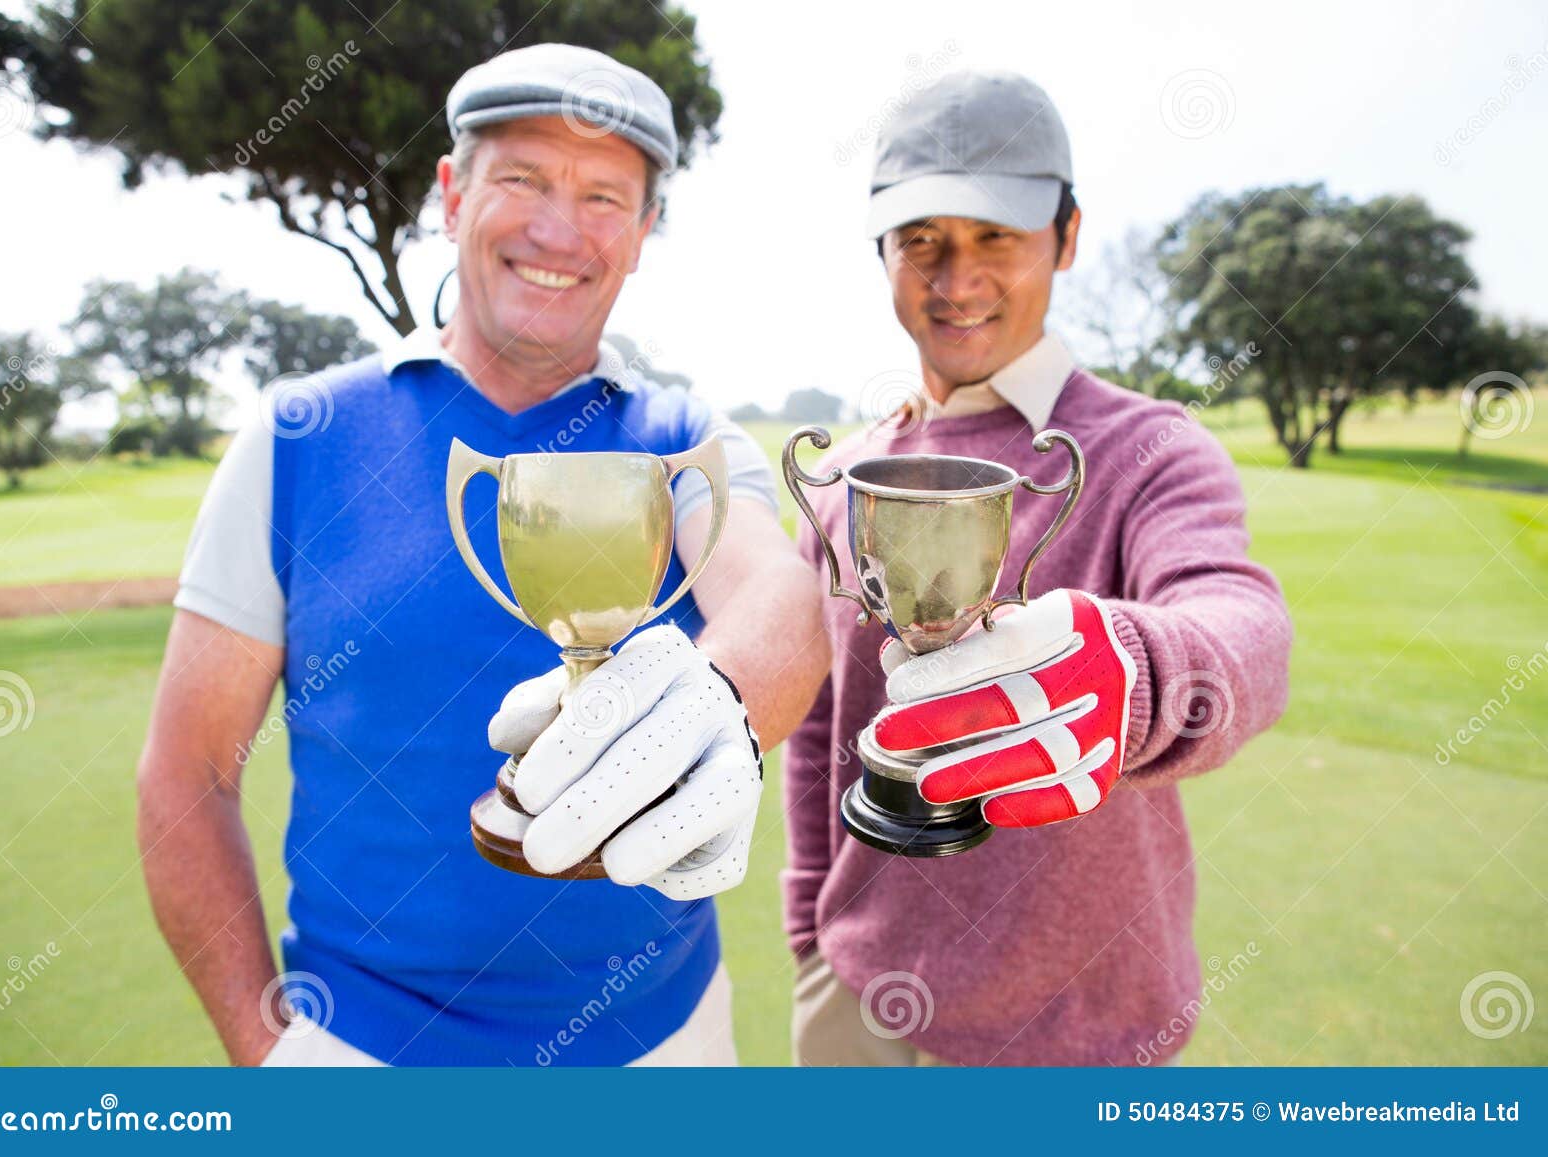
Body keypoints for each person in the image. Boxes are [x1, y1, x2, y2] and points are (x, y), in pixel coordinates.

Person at [136, 43, 827, 1068]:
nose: (559, 228)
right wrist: (266, 1050)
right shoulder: (296, 434)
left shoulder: (686, 436)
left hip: (665, 1046)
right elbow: (185, 773)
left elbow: (782, 604)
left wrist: (722, 705)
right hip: (355, 1050)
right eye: (523, 179)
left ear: (641, 234)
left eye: (603, 196)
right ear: (452, 193)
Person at [783, 71, 1292, 1066]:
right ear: (881, 251)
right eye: (921, 238)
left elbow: (1240, 622)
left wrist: (1135, 674)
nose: (954, 276)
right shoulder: (841, 475)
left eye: (995, 237)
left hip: (1081, 1035)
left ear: (1065, 238)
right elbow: (815, 734)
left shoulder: (1153, 449)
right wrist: (811, 930)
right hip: (852, 1009)